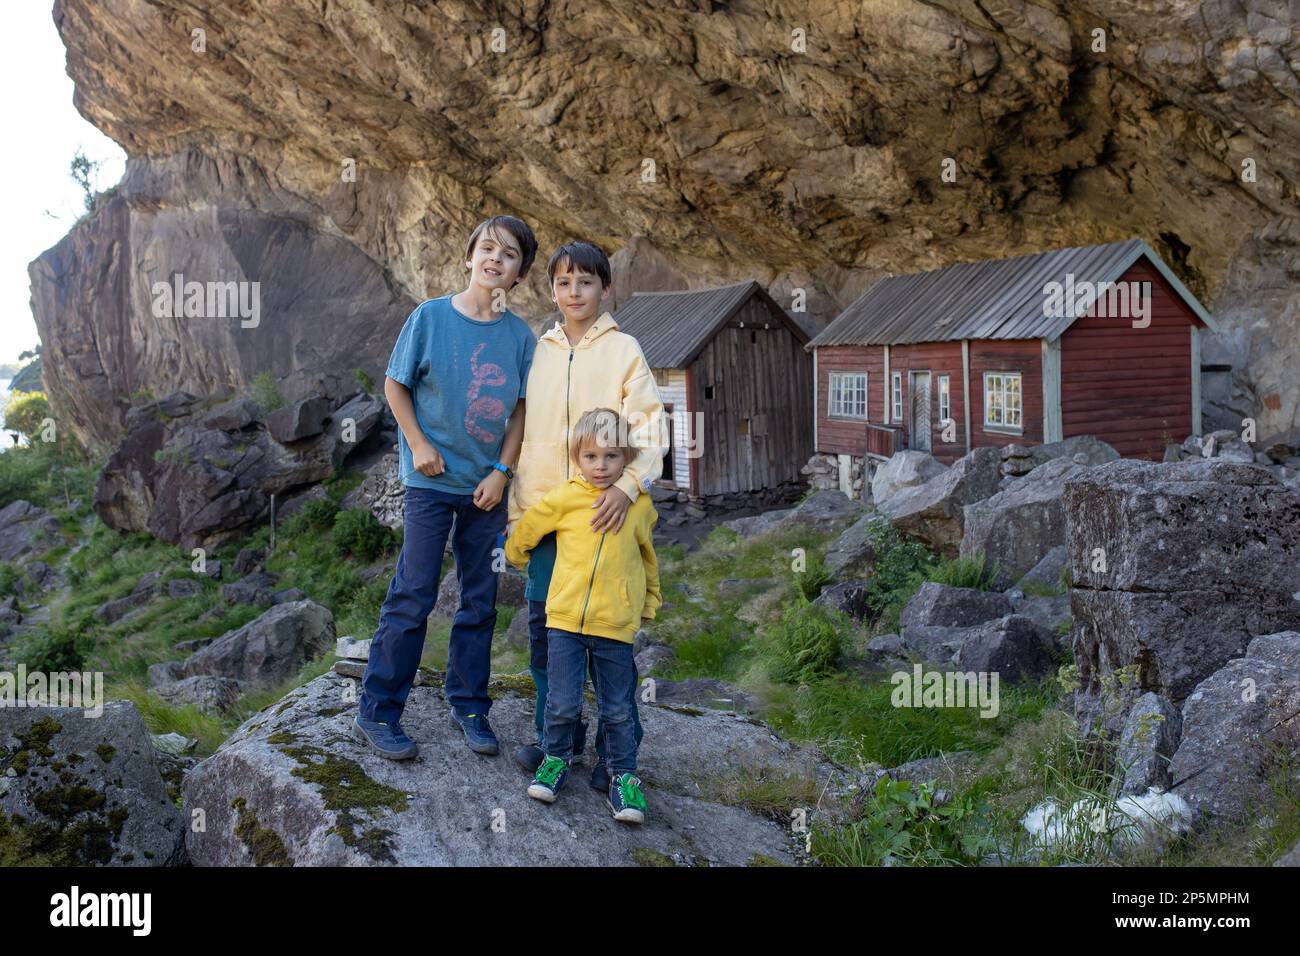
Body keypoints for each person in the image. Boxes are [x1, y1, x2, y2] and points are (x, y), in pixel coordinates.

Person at [353, 215, 537, 760]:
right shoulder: (430, 317)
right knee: (414, 593)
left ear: (519, 273)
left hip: (485, 489)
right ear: (468, 257)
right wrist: (419, 444)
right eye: (486, 248)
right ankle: (379, 710)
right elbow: (395, 384)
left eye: (508, 254)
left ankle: (470, 706)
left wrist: (502, 473)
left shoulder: (520, 337)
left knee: (480, 601)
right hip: (430, 483)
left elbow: (521, 409)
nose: (494, 259)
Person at [507, 240, 666, 793]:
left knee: (609, 645)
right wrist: (518, 509)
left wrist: (626, 487)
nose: (574, 292)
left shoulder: (624, 350)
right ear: (551, 289)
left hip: (606, 513)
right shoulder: (541, 351)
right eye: (563, 283)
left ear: (605, 288)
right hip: (548, 514)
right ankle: (560, 741)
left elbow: (649, 428)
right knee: (549, 637)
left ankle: (616, 756)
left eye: (586, 282)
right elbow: (524, 429)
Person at [505, 408, 661, 823]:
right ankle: (556, 759)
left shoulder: (639, 505)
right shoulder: (565, 497)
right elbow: (530, 525)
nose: (601, 466)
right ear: (578, 457)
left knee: (617, 708)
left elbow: (647, 558)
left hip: (614, 626)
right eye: (591, 457)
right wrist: (516, 552)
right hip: (565, 623)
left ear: (626, 457)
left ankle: (622, 776)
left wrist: (647, 603)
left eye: (611, 456)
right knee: (562, 701)